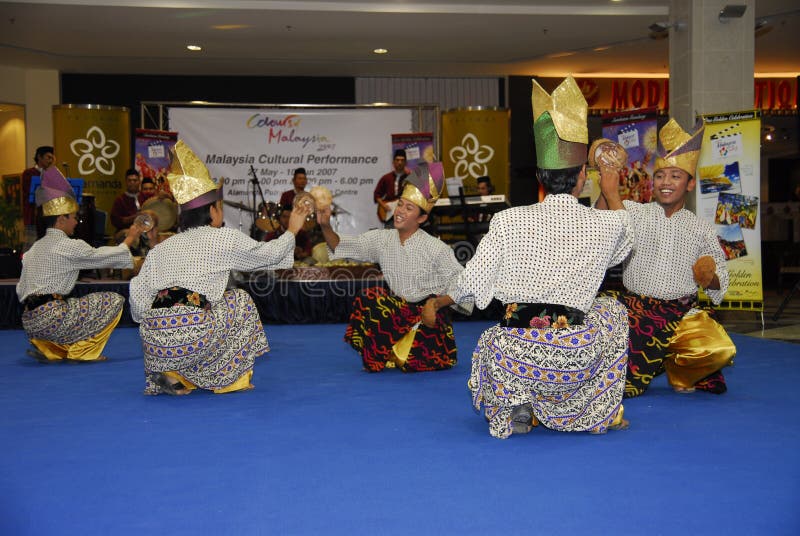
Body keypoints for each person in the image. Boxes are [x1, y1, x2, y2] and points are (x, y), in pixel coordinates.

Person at [425, 76, 634, 438]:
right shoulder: (604, 224)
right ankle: (588, 408)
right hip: (574, 358)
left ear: (539, 176)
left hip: (515, 356)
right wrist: (612, 191)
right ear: (583, 176)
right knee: (613, 311)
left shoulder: (507, 219)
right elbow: (624, 245)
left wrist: (440, 300)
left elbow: (473, 281)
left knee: (492, 341)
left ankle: (517, 399)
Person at [129, 141, 310, 396]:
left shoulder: (161, 248)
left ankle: (171, 371)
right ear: (213, 211)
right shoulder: (223, 237)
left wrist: (156, 324)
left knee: (198, 311)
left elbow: (137, 301)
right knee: (239, 301)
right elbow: (270, 255)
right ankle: (226, 378)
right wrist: (292, 229)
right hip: (191, 335)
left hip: (154, 344)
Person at [596, 118, 736, 397]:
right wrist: (606, 189)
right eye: (660, 176)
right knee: (596, 323)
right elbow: (602, 221)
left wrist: (710, 277)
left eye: (675, 176)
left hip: (680, 314)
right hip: (635, 311)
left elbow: (722, 278)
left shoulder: (700, 227)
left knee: (720, 348)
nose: (666, 182)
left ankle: (679, 369)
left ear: (690, 183)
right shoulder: (636, 211)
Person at [317, 162, 473, 373]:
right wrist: (325, 225)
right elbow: (340, 245)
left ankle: (396, 350)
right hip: (399, 311)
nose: (400, 211)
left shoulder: (437, 248)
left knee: (415, 360)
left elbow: (465, 287)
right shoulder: (383, 239)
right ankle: (388, 350)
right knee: (369, 298)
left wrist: (436, 304)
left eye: (409, 208)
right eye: (400, 204)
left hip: (427, 316)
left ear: (422, 218)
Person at [16, 166, 144, 363]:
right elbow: (102, 256)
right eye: (74, 217)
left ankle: (51, 347)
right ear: (61, 219)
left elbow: (19, 290)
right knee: (114, 300)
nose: (77, 221)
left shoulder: (34, 248)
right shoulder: (68, 246)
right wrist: (131, 238)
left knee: (68, 305)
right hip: (51, 319)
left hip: (29, 322)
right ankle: (82, 352)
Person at [21, 146, 56, 248]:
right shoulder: (28, 173)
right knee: (30, 247)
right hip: (33, 218)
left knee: (46, 248)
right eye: (48, 157)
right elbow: (31, 194)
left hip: (48, 219)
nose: (50, 160)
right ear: (39, 157)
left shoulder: (51, 173)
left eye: (52, 158)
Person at [373, 149, 409, 226]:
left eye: (402, 160)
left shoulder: (410, 178)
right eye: (397, 160)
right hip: (390, 215)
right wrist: (384, 206)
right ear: (393, 162)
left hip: (405, 215)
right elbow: (377, 195)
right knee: (389, 236)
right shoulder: (386, 178)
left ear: (405, 163)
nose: (400, 162)